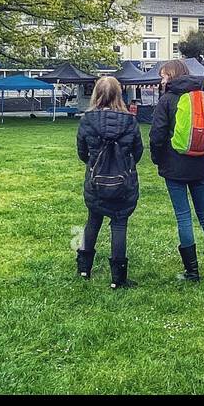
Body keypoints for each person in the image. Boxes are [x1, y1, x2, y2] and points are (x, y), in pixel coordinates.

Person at [149, 59, 204, 282]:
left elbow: (156, 136)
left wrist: (159, 160)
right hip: (200, 167)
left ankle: (192, 272)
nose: (161, 80)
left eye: (164, 75)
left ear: (172, 76)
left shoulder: (167, 101)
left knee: (183, 217)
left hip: (173, 168)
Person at [75, 76, 143, 289]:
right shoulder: (130, 120)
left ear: (96, 94)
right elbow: (138, 152)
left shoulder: (87, 120)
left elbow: (82, 152)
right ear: (119, 94)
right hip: (123, 181)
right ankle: (118, 279)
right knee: (119, 224)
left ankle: (84, 268)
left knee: (93, 221)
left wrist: (96, 163)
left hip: (96, 180)